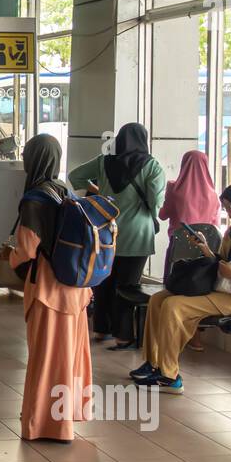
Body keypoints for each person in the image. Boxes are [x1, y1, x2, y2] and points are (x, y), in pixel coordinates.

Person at [131, 182, 231, 394]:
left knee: (174, 305)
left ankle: (169, 375)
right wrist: (206, 250)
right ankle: (152, 362)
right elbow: (224, 262)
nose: (229, 213)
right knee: (158, 299)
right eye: (226, 208)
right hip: (222, 289)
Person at [8, 135, 93, 441]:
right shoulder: (64, 192)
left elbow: (28, 249)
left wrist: (11, 259)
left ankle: (44, 425)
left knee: (46, 357)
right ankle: (64, 417)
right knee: (68, 356)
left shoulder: (35, 198)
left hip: (48, 289)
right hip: (76, 288)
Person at [68, 123, 166, 348]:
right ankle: (123, 335)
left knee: (103, 281)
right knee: (127, 285)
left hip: (106, 233)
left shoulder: (105, 161)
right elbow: (155, 203)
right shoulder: (152, 167)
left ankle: (102, 329)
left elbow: (76, 176)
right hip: (137, 234)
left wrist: (100, 191)